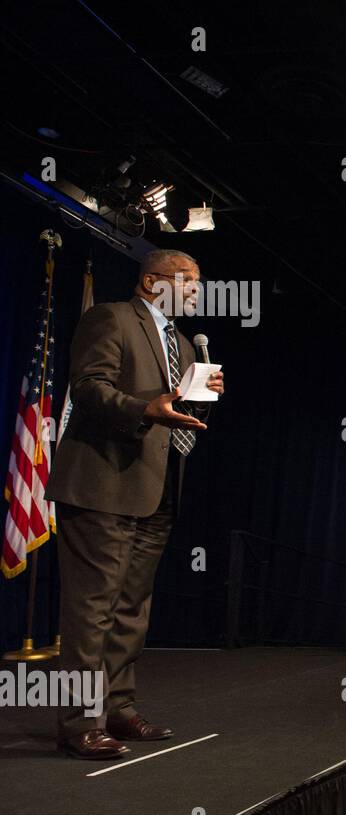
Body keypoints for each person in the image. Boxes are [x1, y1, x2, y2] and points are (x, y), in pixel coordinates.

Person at [47, 250, 225, 759]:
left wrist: (196, 395)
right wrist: (144, 407)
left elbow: (170, 410)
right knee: (92, 611)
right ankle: (80, 722)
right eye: (187, 281)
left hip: (156, 488)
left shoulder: (187, 344)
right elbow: (88, 389)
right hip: (101, 486)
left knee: (131, 609)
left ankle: (119, 709)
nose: (196, 291)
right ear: (151, 280)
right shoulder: (111, 317)